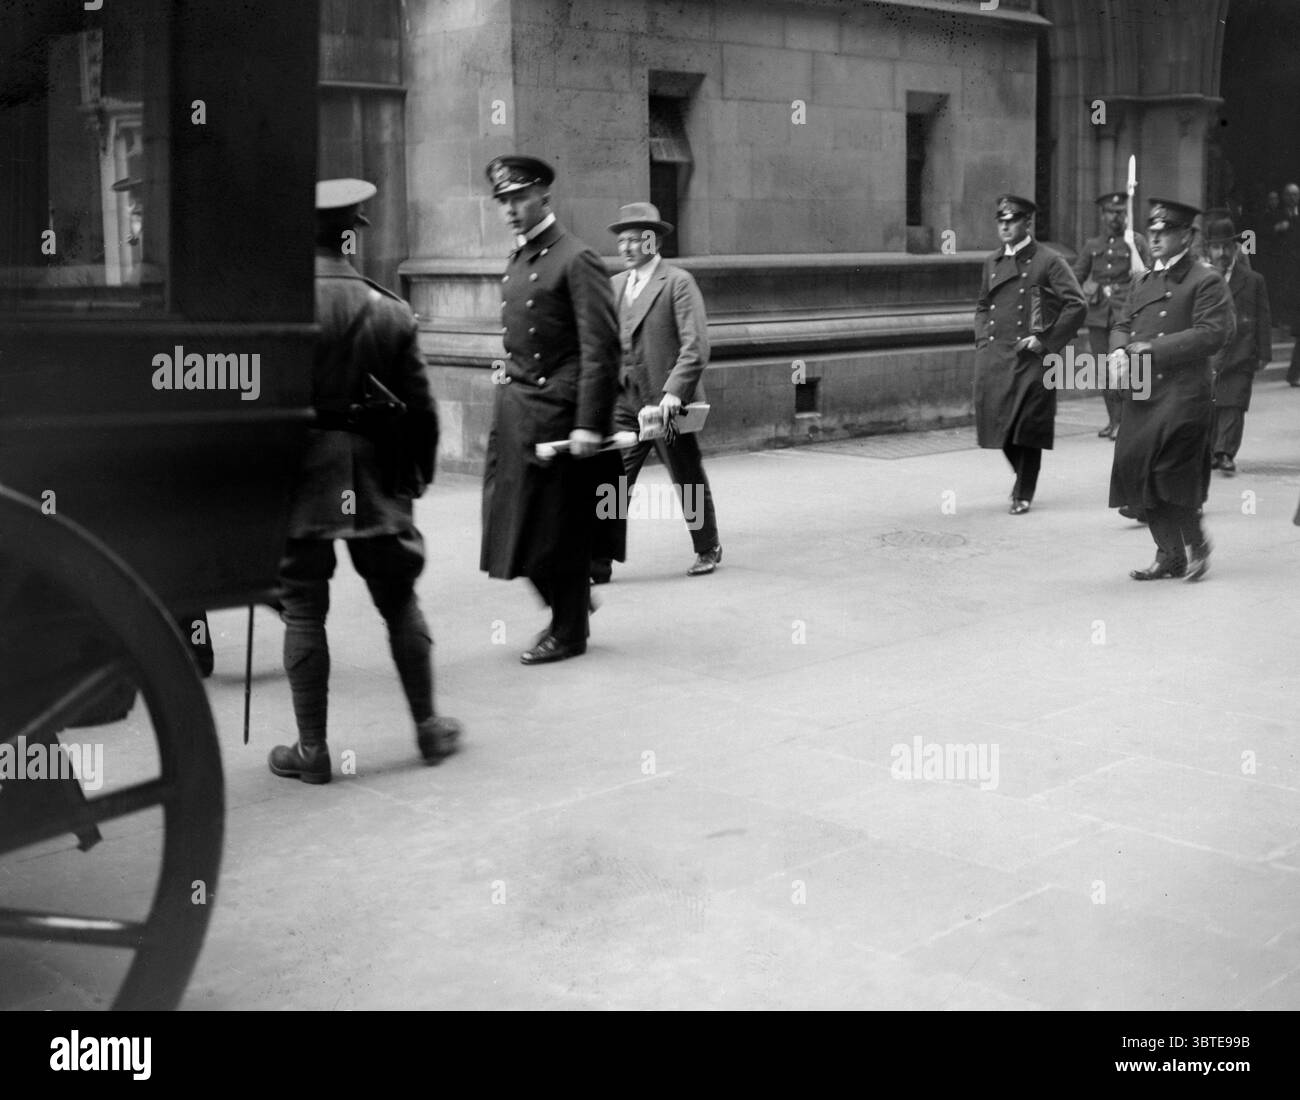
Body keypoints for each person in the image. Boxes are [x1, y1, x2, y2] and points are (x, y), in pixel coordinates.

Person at [268, 178, 460, 784]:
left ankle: (313, 750)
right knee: (398, 599)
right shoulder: (391, 310)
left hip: (301, 479)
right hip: (376, 474)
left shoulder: (276, 309)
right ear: (352, 233)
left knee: (303, 608)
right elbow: (422, 410)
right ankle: (428, 730)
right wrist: (416, 476)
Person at [480, 155, 624, 664]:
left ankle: (569, 631)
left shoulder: (576, 258)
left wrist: (589, 422)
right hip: (518, 410)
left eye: (519, 198)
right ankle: (574, 603)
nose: (511, 210)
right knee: (509, 524)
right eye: (503, 201)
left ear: (545, 196)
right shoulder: (518, 259)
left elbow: (601, 348)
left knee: (555, 529)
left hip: (559, 413)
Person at [588, 202, 720, 583]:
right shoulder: (614, 287)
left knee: (685, 475)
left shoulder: (677, 282)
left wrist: (674, 395)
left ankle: (707, 547)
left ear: (655, 239)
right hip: (625, 402)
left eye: (636, 239)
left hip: (666, 404)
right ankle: (599, 562)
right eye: (622, 240)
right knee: (612, 481)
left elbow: (695, 346)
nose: (627, 247)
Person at [1108, 198, 1235, 582]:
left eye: (1166, 231)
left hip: (1184, 395)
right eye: (1154, 231)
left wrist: (1154, 348)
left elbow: (1215, 333)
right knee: (1138, 473)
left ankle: (1196, 545)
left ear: (1186, 236)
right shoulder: (1142, 280)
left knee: (1169, 475)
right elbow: (1122, 321)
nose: (1157, 237)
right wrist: (1116, 350)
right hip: (1144, 394)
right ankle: (1169, 555)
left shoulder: (1205, 280)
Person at [973, 194, 1087, 514]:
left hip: (1034, 356)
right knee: (999, 423)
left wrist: (1046, 340)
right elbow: (983, 306)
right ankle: (1021, 478)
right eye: (1001, 221)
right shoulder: (991, 261)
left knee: (1028, 425)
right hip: (996, 354)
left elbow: (1076, 304)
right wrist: (982, 339)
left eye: (1013, 220)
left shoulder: (1048, 260)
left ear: (1028, 223)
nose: (1006, 226)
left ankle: (1024, 490)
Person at [1072, 191, 1152, 439]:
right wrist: (1080, 294)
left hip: (1125, 316)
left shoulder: (1135, 242)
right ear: (1102, 215)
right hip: (1098, 315)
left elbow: (1147, 274)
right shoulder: (1092, 245)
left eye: (1120, 213)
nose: (1115, 218)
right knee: (1103, 370)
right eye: (1110, 213)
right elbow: (1076, 276)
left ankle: (1127, 421)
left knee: (1125, 368)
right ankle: (1113, 420)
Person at [1203, 210, 1271, 475]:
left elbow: (1262, 317)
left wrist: (1263, 352)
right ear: (1208, 250)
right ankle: (1210, 452)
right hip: (1211, 355)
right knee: (1211, 405)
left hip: (1242, 352)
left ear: (1235, 248)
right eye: (1216, 247)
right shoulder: (1202, 279)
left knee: (1234, 404)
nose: (1221, 253)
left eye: (1226, 247)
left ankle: (1225, 452)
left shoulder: (1252, 280)